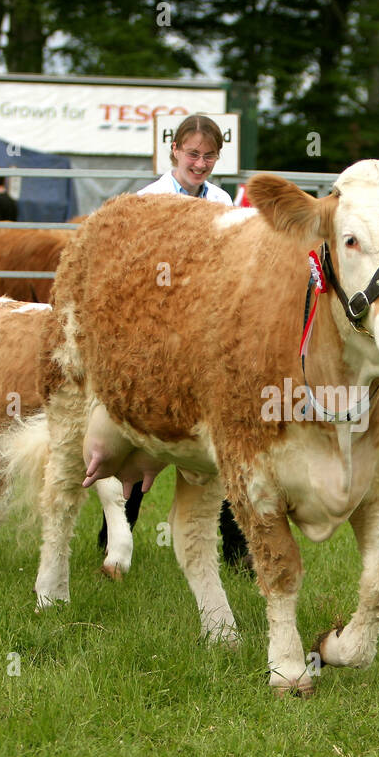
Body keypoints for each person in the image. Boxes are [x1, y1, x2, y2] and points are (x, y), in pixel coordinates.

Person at [97, 115, 249, 569]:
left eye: (209, 156)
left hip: (207, 340)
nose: (199, 163)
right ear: (175, 152)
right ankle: (114, 537)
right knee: (142, 435)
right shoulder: (145, 203)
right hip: (157, 337)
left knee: (220, 442)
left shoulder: (225, 203)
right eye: (192, 154)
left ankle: (237, 550)